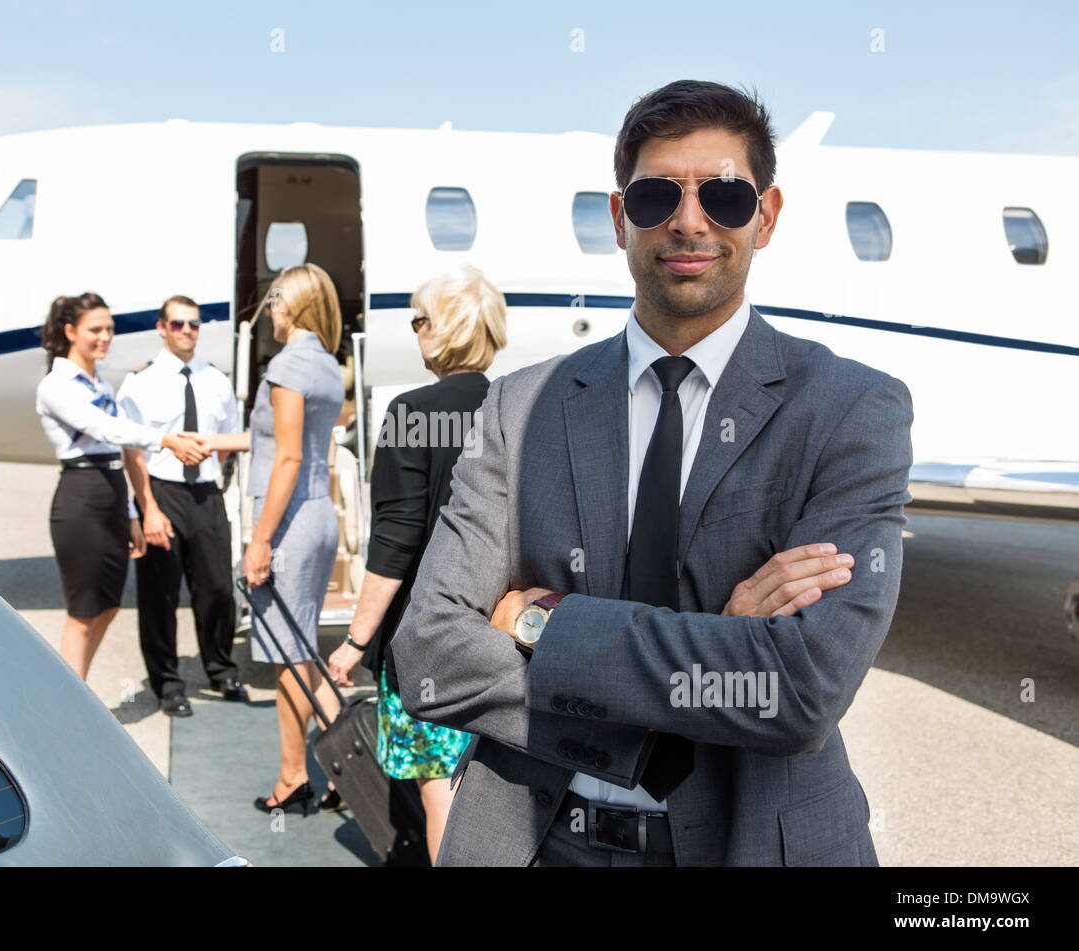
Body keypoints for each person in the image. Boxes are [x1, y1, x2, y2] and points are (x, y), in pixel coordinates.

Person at [392, 80, 914, 866]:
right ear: (619, 218)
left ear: (765, 217)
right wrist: (722, 651)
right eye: (656, 195)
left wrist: (543, 624)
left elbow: (802, 690)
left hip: (750, 843)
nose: (690, 220)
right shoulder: (519, 408)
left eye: (727, 197)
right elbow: (429, 654)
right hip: (535, 843)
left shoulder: (850, 409)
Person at [327, 265, 505, 863]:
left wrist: (355, 639)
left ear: (445, 328)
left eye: (419, 319)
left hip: (428, 640)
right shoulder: (522, 404)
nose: (415, 331)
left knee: (442, 792)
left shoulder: (412, 410)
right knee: (497, 791)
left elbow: (396, 540)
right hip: (506, 637)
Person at [35, 292, 207, 680]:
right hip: (81, 497)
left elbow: (119, 449)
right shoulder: (57, 385)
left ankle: (76, 690)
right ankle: (66, 703)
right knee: (83, 613)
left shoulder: (99, 383)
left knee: (108, 606)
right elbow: (104, 428)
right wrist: (166, 439)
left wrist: (133, 512)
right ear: (70, 332)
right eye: (95, 330)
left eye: (109, 329)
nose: (105, 337)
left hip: (111, 493)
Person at [235, 264, 346, 815]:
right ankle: (354, 762)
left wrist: (259, 542)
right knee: (302, 652)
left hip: (289, 525)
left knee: (287, 656)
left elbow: (286, 455)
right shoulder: (325, 364)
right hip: (318, 515)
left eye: (277, 297)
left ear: (295, 304)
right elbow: (287, 439)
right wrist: (217, 441)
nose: (269, 307)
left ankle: (294, 774)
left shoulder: (286, 364)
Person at [116, 295, 248, 718]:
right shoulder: (141, 381)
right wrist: (147, 507)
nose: (187, 331)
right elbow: (132, 451)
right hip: (162, 490)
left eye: (193, 324)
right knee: (160, 594)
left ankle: (220, 668)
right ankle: (168, 683)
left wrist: (209, 468)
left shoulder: (215, 379)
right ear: (161, 327)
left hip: (205, 492)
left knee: (217, 589)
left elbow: (228, 439)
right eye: (178, 324)